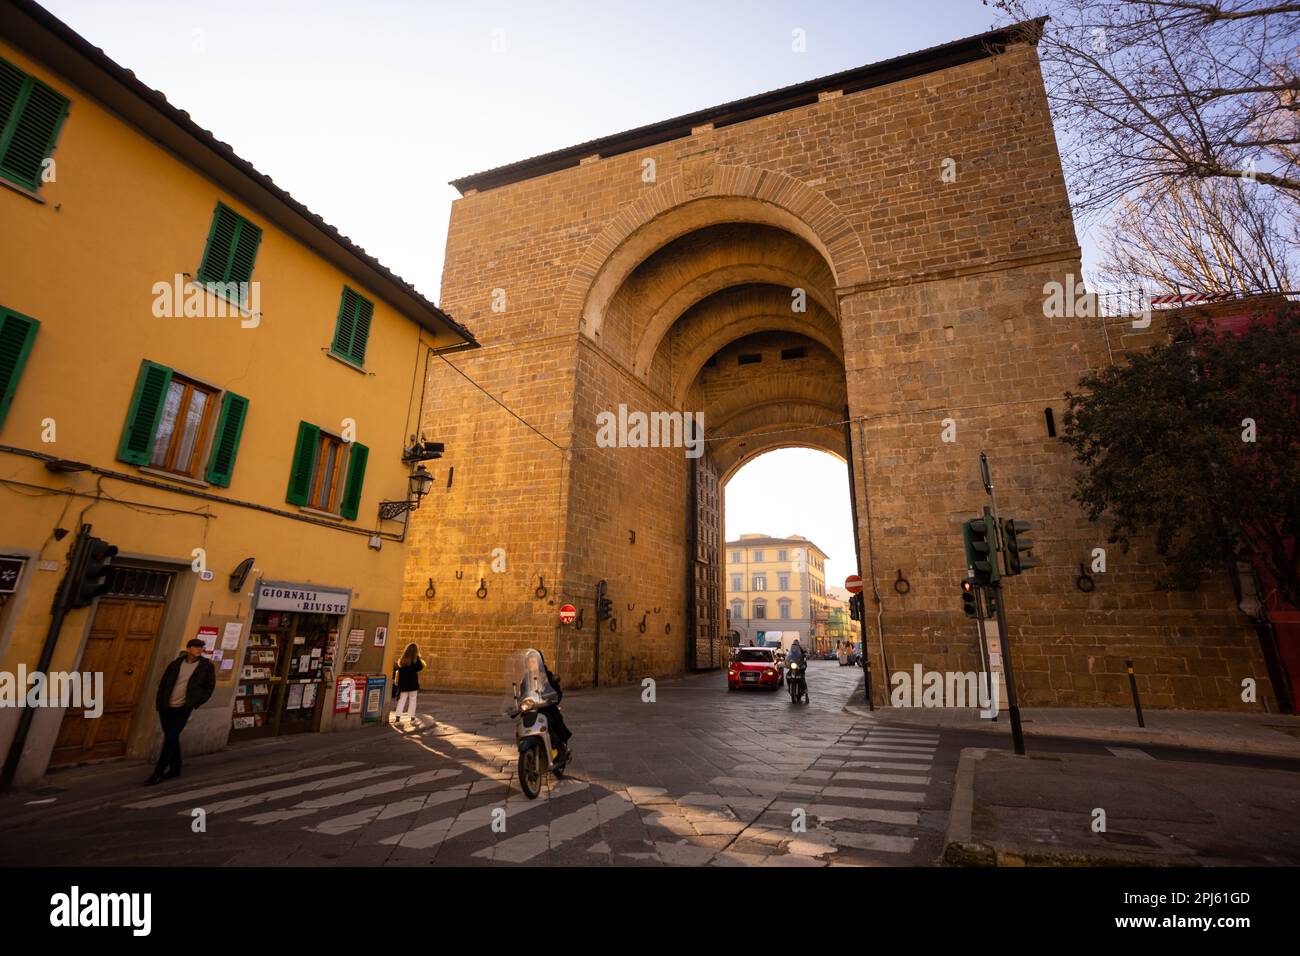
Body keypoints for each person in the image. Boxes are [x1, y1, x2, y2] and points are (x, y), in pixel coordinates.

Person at [146, 638, 215, 785]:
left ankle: (158, 773)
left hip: (183, 708)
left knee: (170, 738)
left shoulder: (206, 667)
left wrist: (196, 702)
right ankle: (176, 768)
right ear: (189, 649)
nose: (199, 649)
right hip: (166, 706)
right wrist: (160, 703)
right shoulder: (176, 664)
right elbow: (163, 684)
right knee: (172, 737)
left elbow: (209, 687)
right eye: (196, 647)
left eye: (201, 647)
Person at [521, 649, 571, 761]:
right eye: (529, 662)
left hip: (546, 708)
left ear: (539, 662)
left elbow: (556, 692)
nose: (531, 664)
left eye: (534, 661)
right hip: (531, 710)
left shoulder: (547, 676)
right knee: (522, 723)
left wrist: (551, 698)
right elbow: (521, 694)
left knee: (548, 722)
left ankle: (558, 748)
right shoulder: (525, 679)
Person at [392, 642, 424, 725]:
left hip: (403, 684)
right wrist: (418, 657)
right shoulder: (416, 660)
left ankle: (397, 720)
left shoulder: (402, 659)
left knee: (401, 701)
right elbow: (421, 667)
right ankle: (412, 719)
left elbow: (398, 669)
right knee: (413, 701)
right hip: (413, 684)